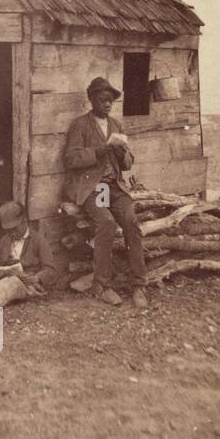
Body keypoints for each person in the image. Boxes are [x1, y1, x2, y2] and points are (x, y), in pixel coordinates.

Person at [62, 76, 148, 308]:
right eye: (102, 100)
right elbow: (70, 159)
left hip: (115, 186)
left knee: (131, 221)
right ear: (92, 100)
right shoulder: (80, 125)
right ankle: (102, 285)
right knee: (106, 223)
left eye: (110, 101)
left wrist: (121, 153)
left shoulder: (116, 125)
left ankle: (139, 285)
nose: (107, 104)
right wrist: (101, 150)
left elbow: (129, 163)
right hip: (94, 186)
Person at [0, 201, 65, 307]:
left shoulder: (38, 240)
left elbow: (51, 270)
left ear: (24, 221)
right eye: (8, 230)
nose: (12, 233)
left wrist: (37, 278)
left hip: (30, 285)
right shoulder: (5, 240)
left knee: (12, 283)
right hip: (6, 281)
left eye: (14, 229)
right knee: (5, 282)